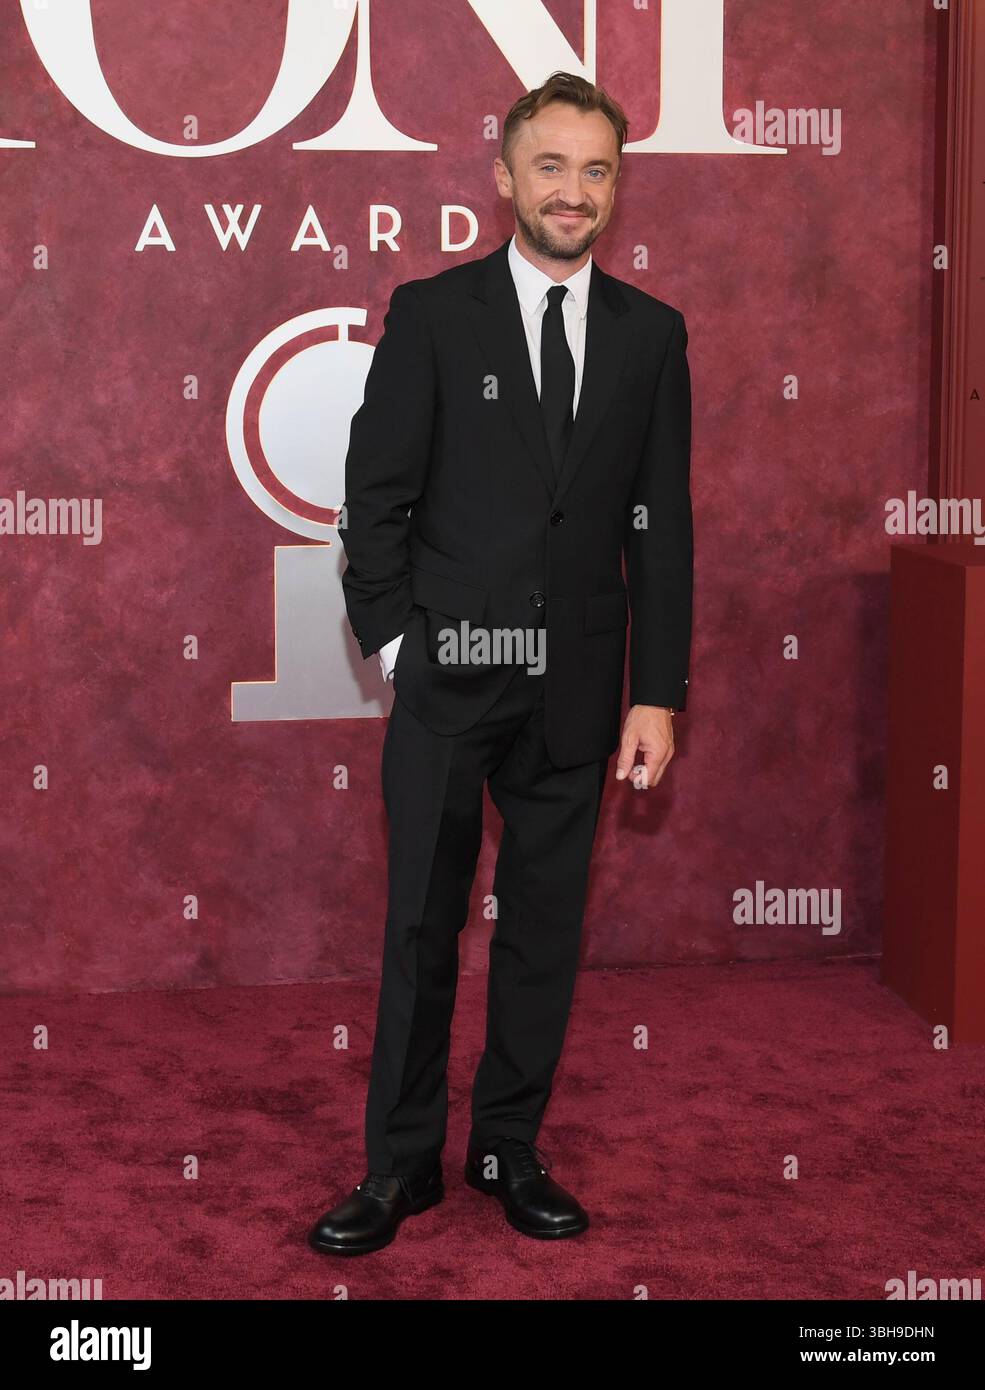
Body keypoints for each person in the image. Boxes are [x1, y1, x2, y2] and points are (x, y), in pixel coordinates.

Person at [309, 70, 693, 1256]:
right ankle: (399, 1164)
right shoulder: (433, 314)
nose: (572, 190)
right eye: (550, 165)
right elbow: (374, 500)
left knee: (542, 928)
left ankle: (505, 1147)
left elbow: (659, 525)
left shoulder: (651, 335)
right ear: (504, 177)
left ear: (615, 186)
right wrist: (393, 643)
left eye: (595, 170)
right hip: (449, 674)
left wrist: (656, 689)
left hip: (579, 691)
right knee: (422, 926)